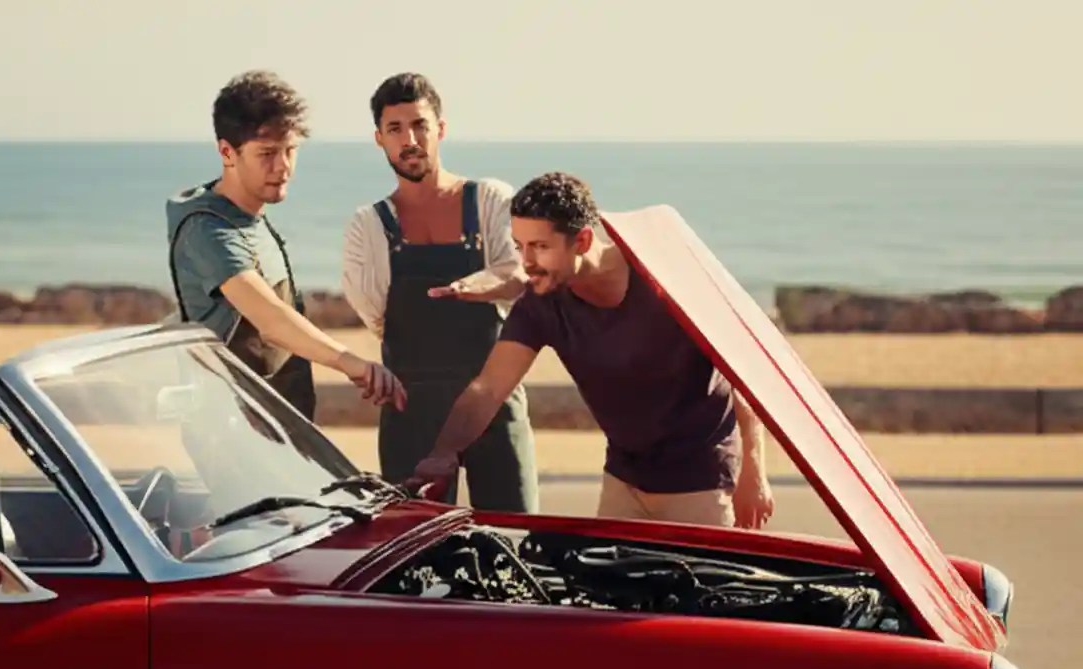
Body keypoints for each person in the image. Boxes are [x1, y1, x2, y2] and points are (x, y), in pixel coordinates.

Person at [412, 172, 774, 529]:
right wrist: (444, 452)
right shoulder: (542, 301)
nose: (527, 262)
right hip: (624, 479)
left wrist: (754, 470)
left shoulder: (666, 281)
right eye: (520, 246)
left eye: (540, 247)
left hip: (702, 482)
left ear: (582, 240)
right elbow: (489, 388)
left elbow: (739, 371)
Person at [340, 72, 538, 512]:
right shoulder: (367, 226)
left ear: (441, 129)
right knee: (415, 541)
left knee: (517, 533)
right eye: (395, 129)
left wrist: (478, 286)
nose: (409, 140)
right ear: (379, 138)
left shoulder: (490, 199)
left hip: (494, 403)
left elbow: (523, 275)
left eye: (420, 125)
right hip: (410, 413)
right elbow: (375, 316)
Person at [165, 70, 406, 421]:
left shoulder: (249, 216)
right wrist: (352, 363)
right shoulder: (208, 230)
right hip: (232, 429)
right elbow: (271, 321)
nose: (283, 166)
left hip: (276, 426)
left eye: (290, 150)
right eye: (267, 153)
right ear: (227, 153)